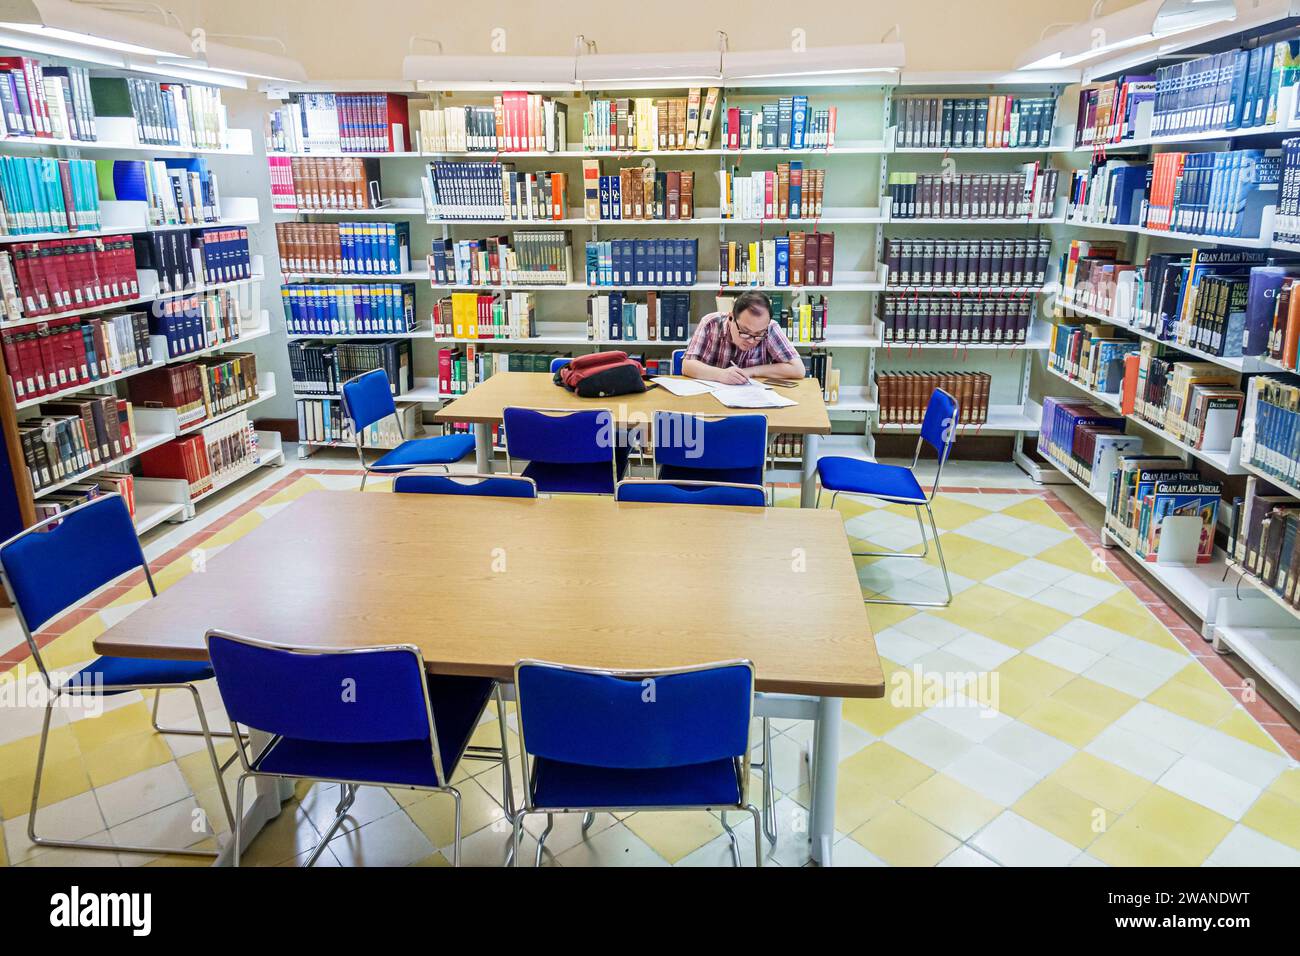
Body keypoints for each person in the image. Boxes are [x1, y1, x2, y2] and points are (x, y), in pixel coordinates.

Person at [680, 291, 805, 384]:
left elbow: (798, 369)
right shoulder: (710, 323)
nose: (751, 340)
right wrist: (720, 374)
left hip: (753, 400)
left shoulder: (770, 328)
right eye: (745, 331)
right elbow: (687, 365)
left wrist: (751, 372)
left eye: (758, 334)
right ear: (731, 317)